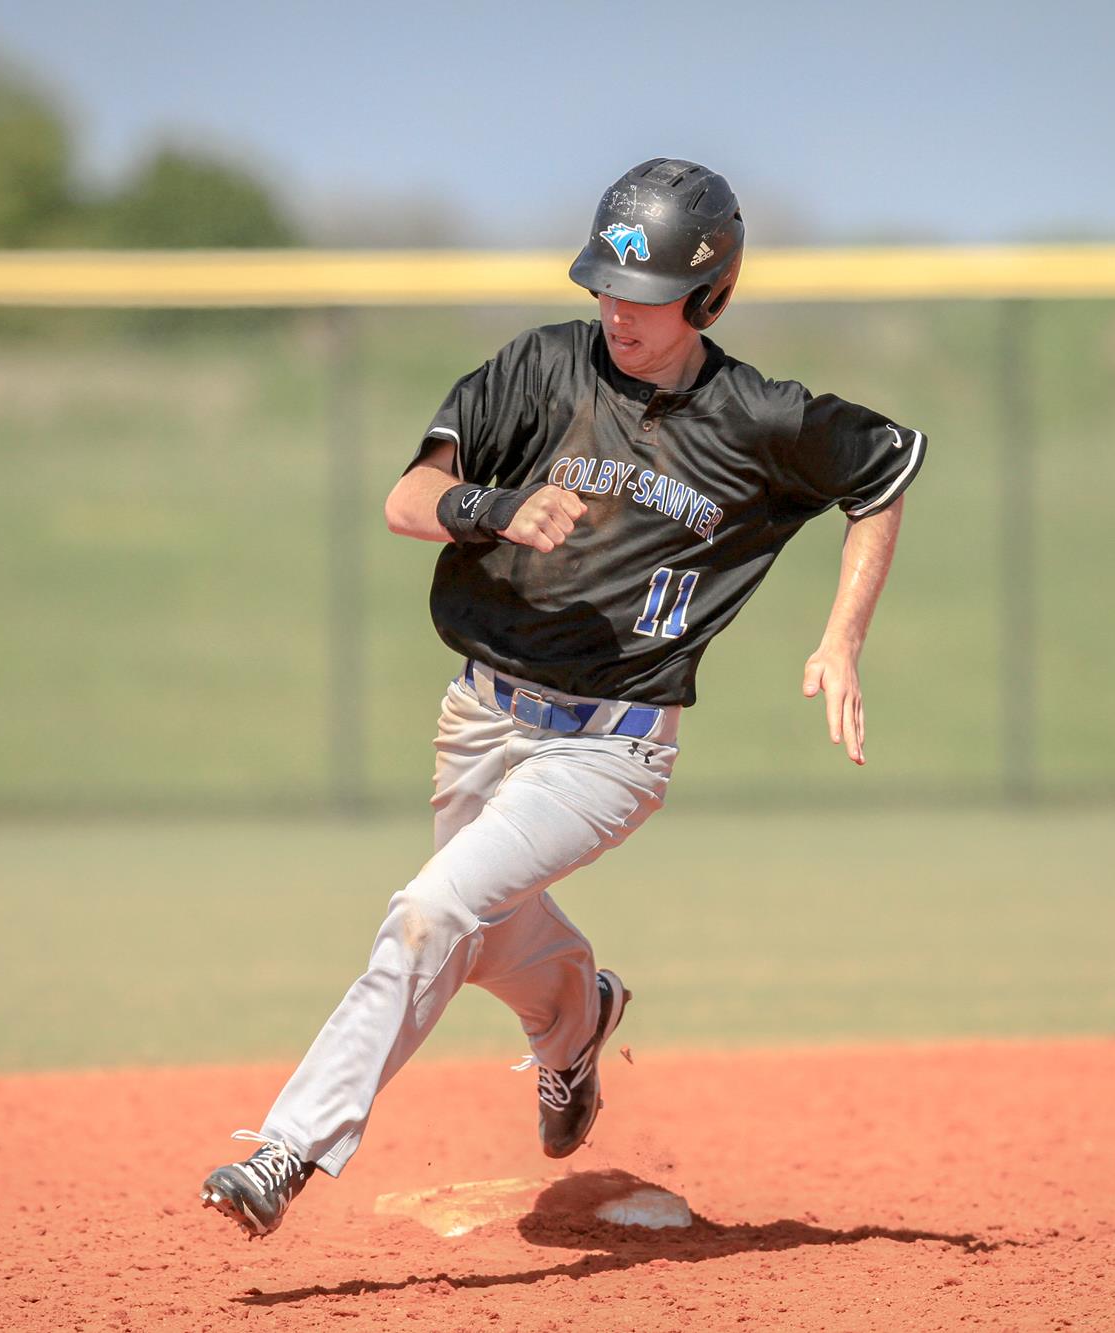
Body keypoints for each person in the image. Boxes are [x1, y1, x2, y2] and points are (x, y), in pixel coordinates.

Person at [200, 158, 927, 1238]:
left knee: (431, 912)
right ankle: (579, 1022)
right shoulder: (541, 368)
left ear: (709, 291)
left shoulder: (756, 418)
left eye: (644, 296)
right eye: (604, 286)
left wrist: (842, 637)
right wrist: (490, 507)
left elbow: (884, 473)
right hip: (481, 716)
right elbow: (405, 500)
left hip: (609, 748)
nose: (616, 313)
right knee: (482, 937)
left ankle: (284, 1150)